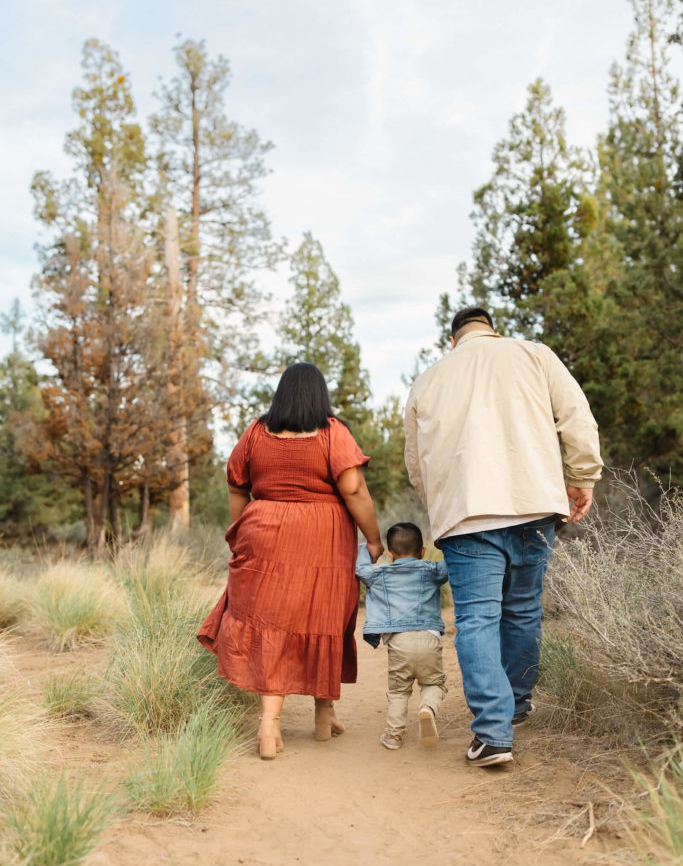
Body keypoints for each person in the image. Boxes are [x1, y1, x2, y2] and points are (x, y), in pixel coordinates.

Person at [404, 306, 603, 767]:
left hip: (468, 516)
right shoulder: (534, 355)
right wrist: (582, 477)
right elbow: (576, 416)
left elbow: (417, 462)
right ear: (493, 331)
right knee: (523, 609)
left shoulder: (429, 379)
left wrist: (443, 502)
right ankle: (514, 705)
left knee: (476, 619)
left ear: (453, 341)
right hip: (534, 504)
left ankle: (493, 735)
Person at [198, 362, 384, 760]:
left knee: (273, 622)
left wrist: (240, 532)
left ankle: (272, 723)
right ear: (320, 395)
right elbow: (353, 490)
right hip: (323, 538)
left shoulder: (255, 432)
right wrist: (373, 538)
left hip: (264, 531)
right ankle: (321, 715)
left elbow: (236, 484)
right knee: (324, 619)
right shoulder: (333, 432)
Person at [356, 522, 449, 751]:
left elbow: (360, 569)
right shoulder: (431, 570)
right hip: (429, 638)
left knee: (399, 691)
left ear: (390, 553)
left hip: (399, 642)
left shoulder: (380, 574)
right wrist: (447, 543)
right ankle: (428, 707)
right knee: (434, 683)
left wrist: (367, 549)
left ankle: (393, 736)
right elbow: (451, 566)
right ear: (423, 551)